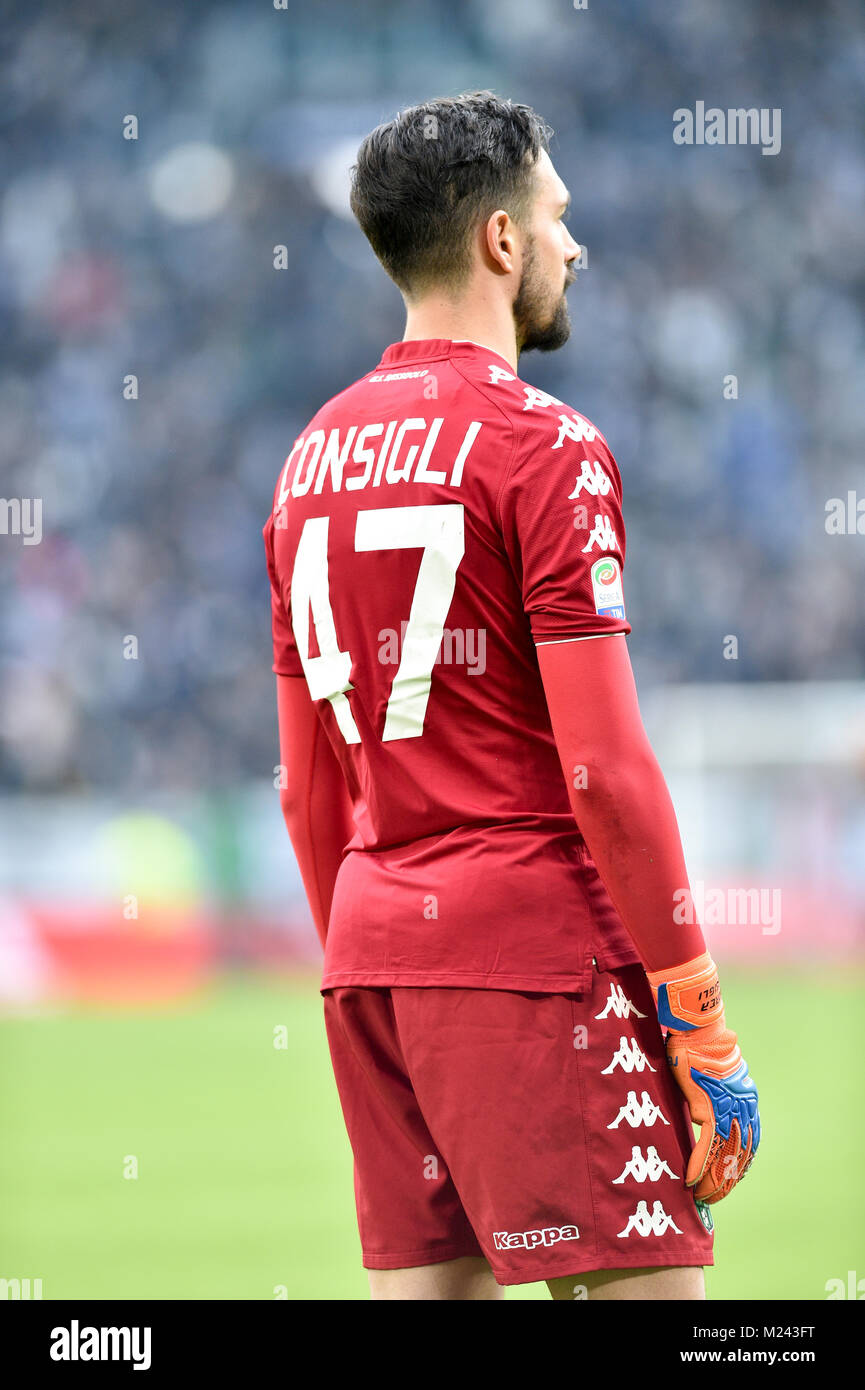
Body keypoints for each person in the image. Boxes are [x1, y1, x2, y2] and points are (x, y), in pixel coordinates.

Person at [262, 91, 760, 1301]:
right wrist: (693, 1005)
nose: (573, 246)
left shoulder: (308, 457)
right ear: (500, 240)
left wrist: (380, 971)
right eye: (557, 215)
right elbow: (604, 772)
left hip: (369, 964)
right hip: (533, 957)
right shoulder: (544, 445)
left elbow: (307, 792)